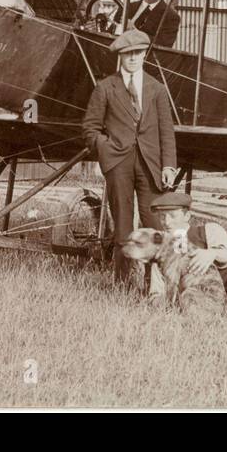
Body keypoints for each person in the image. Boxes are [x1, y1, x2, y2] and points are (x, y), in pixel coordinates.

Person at [81, 29, 179, 285]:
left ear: (145, 54)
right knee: (123, 224)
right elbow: (89, 128)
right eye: (128, 54)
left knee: (154, 222)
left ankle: (156, 285)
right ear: (120, 56)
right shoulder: (105, 87)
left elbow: (166, 131)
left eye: (138, 53)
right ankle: (122, 284)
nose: (133, 58)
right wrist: (105, 147)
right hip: (118, 163)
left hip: (150, 165)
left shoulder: (157, 89)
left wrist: (168, 165)